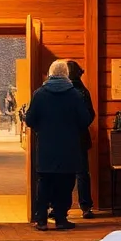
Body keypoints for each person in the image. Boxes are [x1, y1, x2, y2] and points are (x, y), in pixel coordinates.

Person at [25, 60, 94, 230]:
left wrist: (41, 129)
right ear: (66, 74)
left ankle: (41, 219)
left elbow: (30, 119)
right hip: (69, 146)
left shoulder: (39, 94)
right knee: (65, 183)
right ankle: (61, 218)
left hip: (46, 145)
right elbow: (85, 119)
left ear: (50, 73)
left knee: (44, 182)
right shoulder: (75, 94)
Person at [67, 60, 97, 219]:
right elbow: (91, 114)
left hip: (65, 138)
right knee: (82, 173)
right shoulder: (83, 91)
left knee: (64, 173)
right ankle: (86, 207)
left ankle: (61, 207)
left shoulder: (64, 90)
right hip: (81, 137)